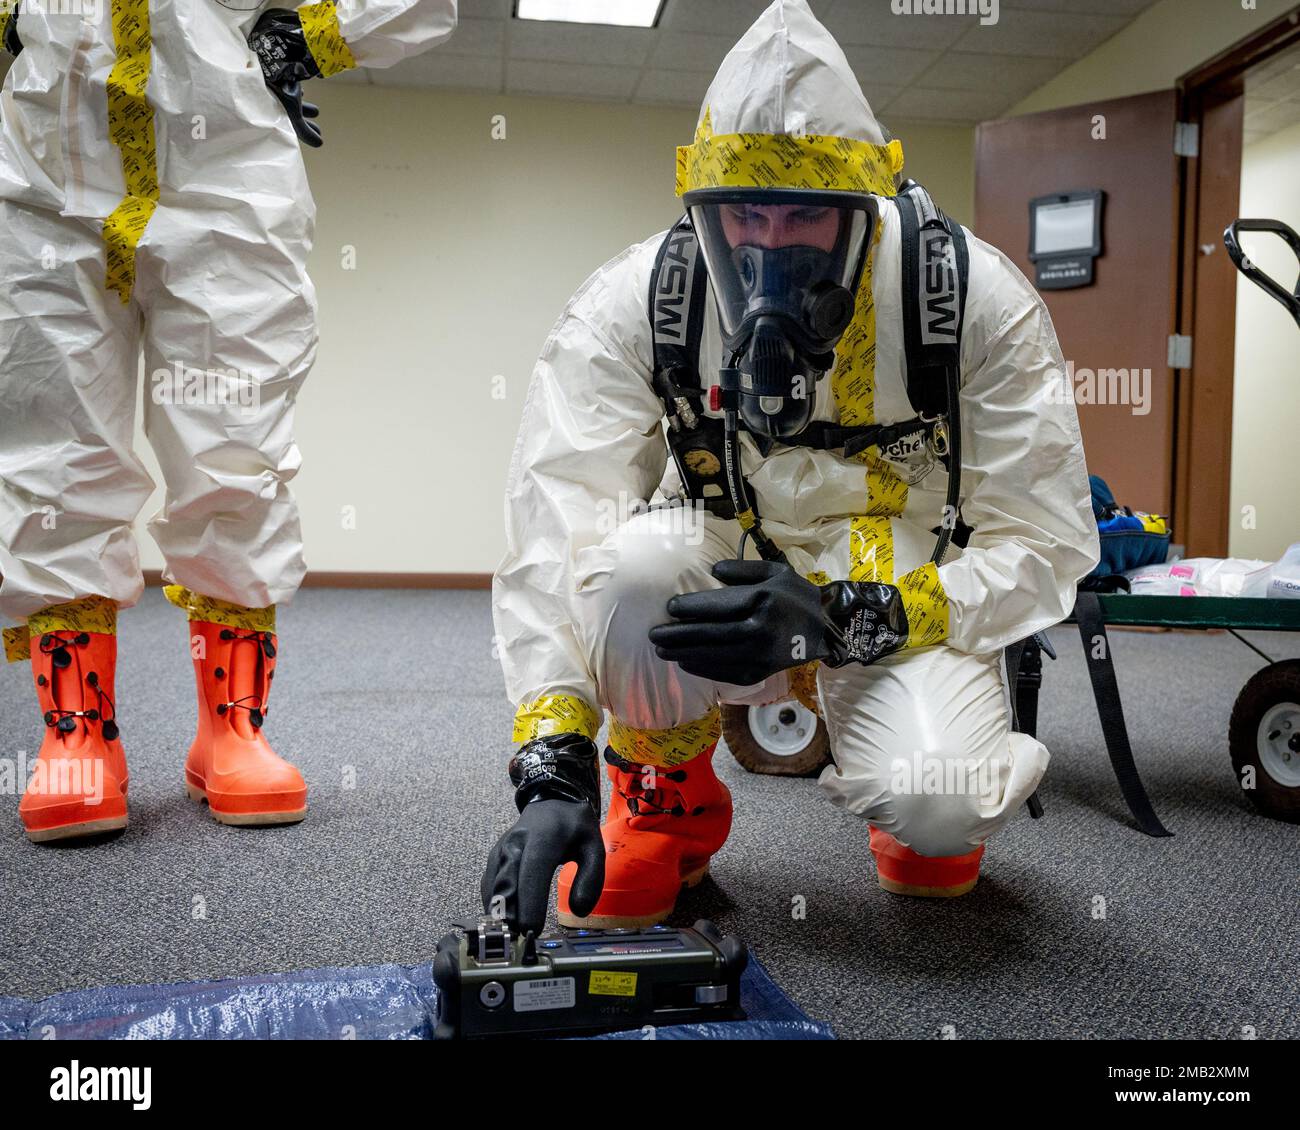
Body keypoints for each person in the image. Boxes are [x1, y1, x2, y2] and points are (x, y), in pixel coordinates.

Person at [483, 0, 1099, 934]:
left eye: (806, 217)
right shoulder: (637, 302)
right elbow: (550, 528)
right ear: (704, 214)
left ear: (865, 213)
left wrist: (859, 617)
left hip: (898, 576)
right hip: (716, 555)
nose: (771, 247)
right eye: (746, 217)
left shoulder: (970, 302)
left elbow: (1045, 544)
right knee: (633, 566)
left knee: (937, 805)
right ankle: (662, 796)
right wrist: (552, 762)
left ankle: (922, 805)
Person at [0, 1, 457, 842]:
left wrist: (310, 33)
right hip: (44, 167)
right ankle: (76, 731)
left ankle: (231, 729)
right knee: (51, 443)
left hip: (228, 172)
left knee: (235, 450)